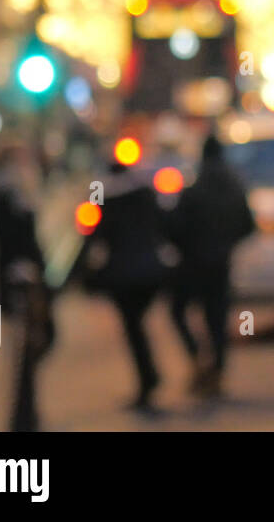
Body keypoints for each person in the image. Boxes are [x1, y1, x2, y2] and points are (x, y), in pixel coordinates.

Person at [77, 161, 173, 411]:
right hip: (151, 273)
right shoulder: (146, 196)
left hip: (123, 277)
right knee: (137, 328)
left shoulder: (107, 202)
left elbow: (91, 241)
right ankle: (149, 378)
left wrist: (79, 275)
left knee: (134, 330)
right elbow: (167, 228)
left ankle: (148, 380)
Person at [166, 135, 255, 398]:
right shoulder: (234, 189)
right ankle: (216, 372)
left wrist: (185, 247)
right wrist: (227, 244)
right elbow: (247, 225)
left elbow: (175, 227)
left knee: (179, 312)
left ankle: (198, 359)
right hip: (221, 263)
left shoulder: (195, 189)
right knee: (217, 320)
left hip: (192, 264)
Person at [0, 142, 54, 432]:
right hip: (20, 283)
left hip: (28, 280)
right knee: (24, 351)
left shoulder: (19, 194)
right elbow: (12, 243)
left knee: (34, 346)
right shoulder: (5, 196)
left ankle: (27, 413)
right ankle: (23, 417)